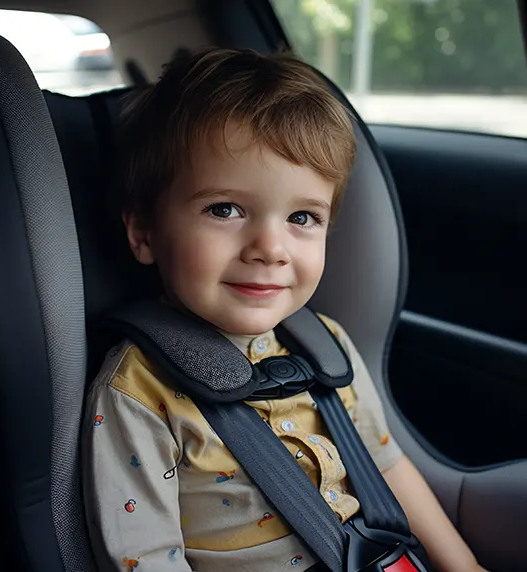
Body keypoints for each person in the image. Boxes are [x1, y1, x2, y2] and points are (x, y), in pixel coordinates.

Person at [81, 47, 486, 572]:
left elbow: (386, 464)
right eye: (224, 209)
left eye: (301, 217)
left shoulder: (325, 346)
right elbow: (148, 557)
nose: (270, 248)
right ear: (144, 232)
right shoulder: (137, 392)